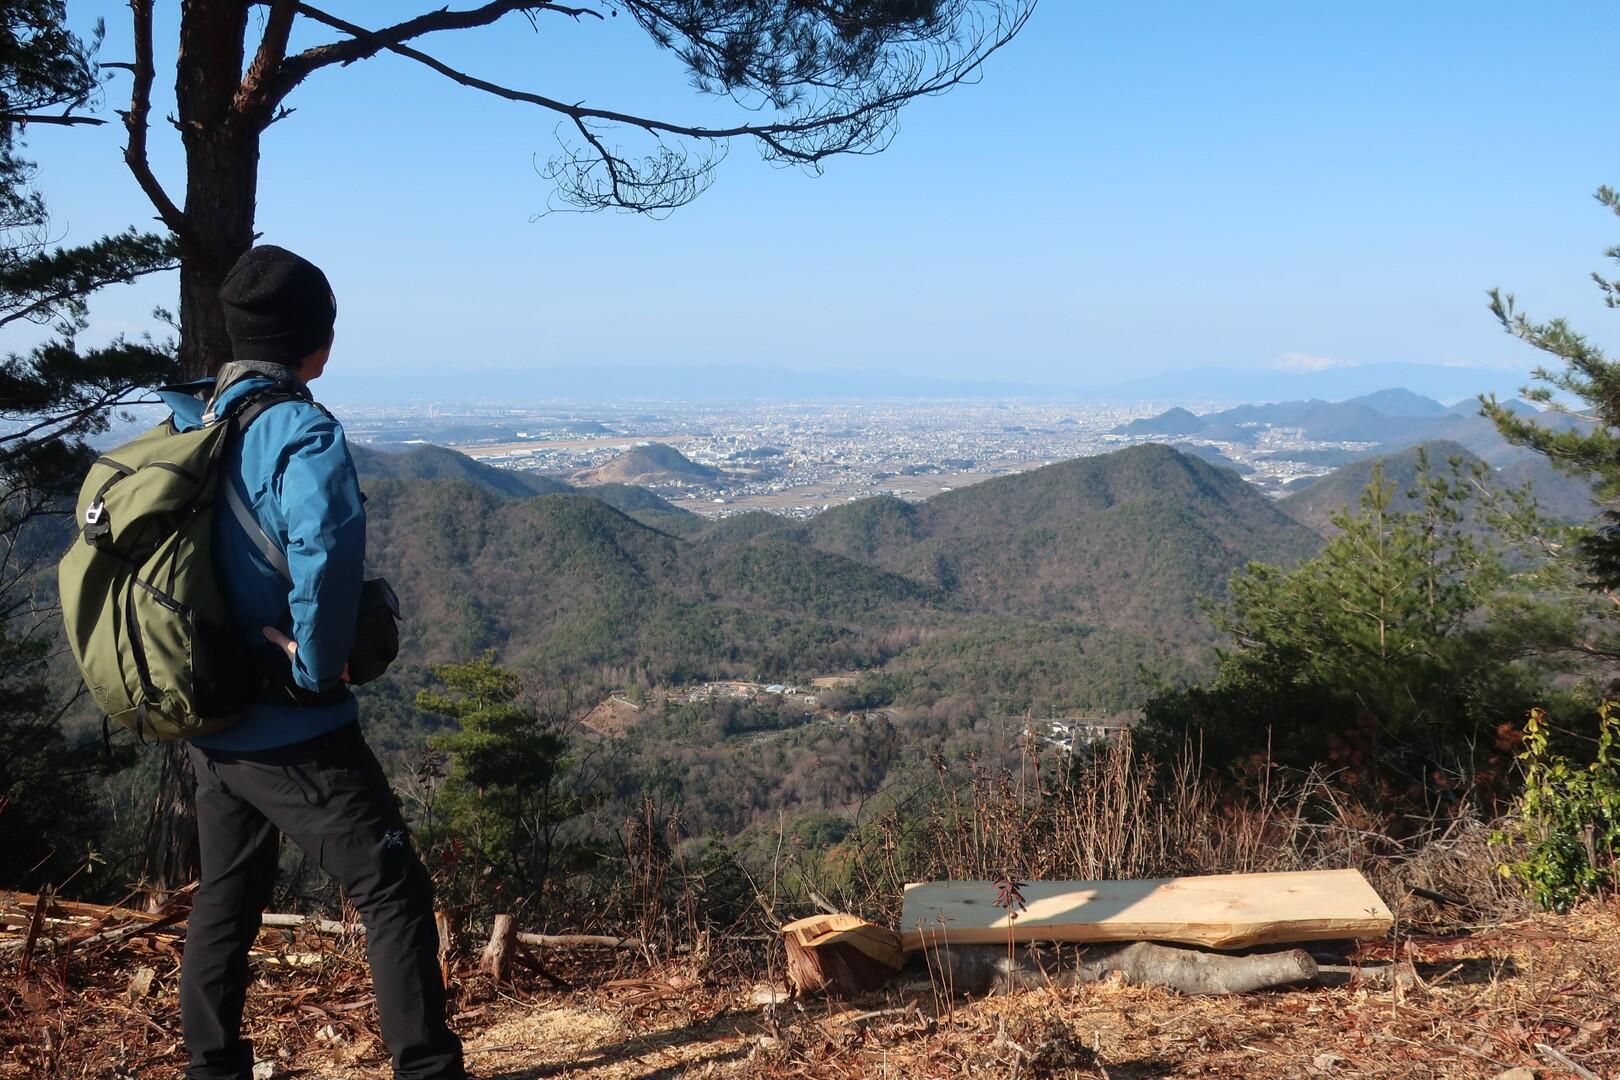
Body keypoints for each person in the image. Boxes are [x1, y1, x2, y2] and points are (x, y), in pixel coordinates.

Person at [162, 245, 466, 1080]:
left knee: (226, 894)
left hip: (210, 712)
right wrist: (315, 669)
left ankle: (212, 1066)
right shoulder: (302, 431)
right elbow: (325, 554)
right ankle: (428, 1069)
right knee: (392, 889)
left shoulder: (193, 420)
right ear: (317, 342)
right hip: (290, 725)